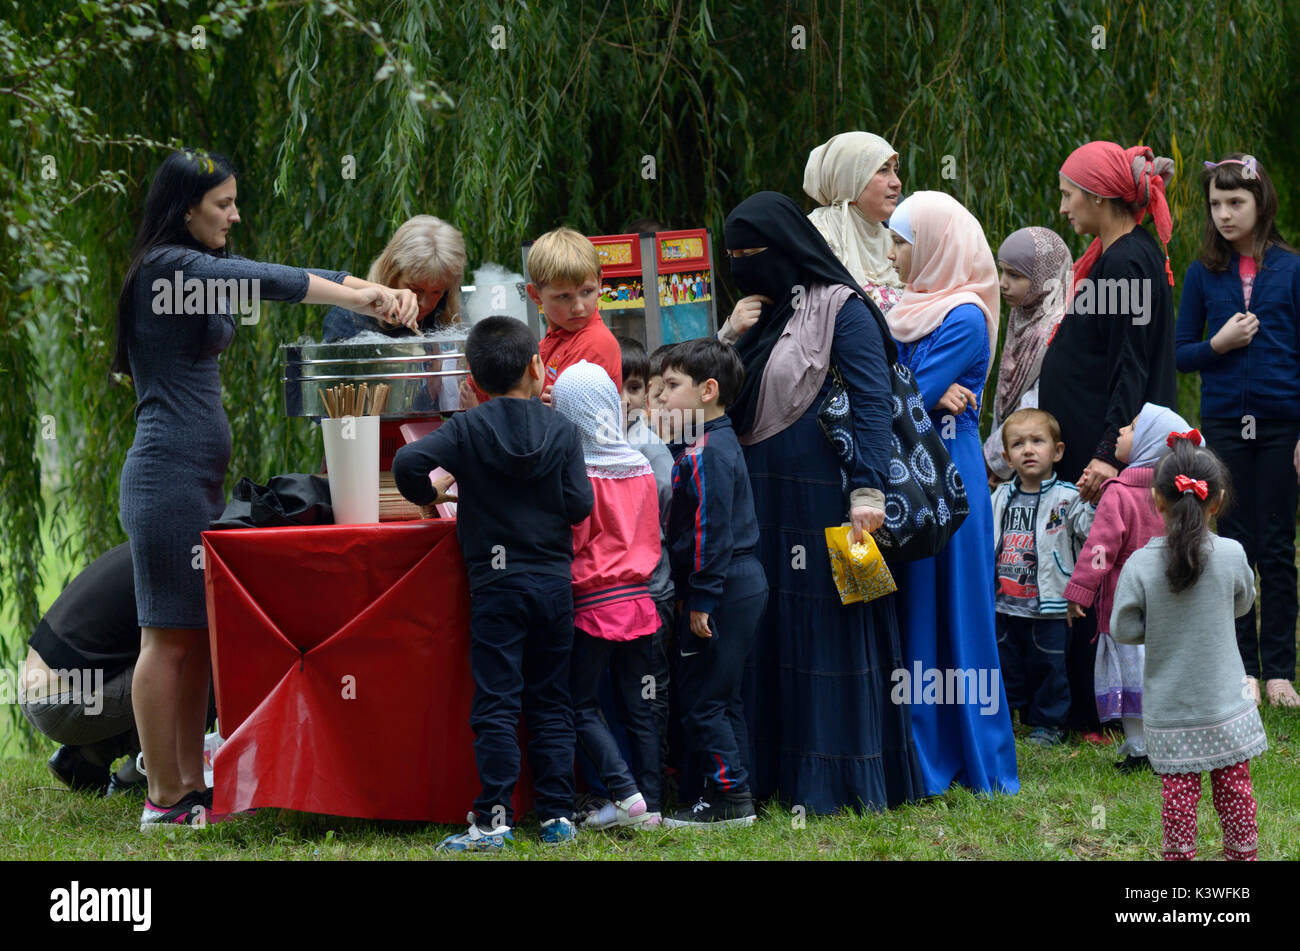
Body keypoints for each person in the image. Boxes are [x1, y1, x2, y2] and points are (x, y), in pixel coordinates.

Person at [113, 149, 417, 831]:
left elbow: (252, 281)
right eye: (223, 203)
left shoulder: (182, 271)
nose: (235, 214)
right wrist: (358, 293)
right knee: (164, 638)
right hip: (164, 477)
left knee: (191, 633)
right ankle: (162, 795)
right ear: (185, 206)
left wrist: (357, 287)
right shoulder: (169, 270)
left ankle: (191, 783)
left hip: (192, 478)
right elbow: (264, 281)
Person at [720, 191, 924, 814]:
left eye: (753, 253)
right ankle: (769, 775)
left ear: (784, 249)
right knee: (766, 629)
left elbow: (871, 405)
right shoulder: (759, 316)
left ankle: (840, 779)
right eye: (733, 257)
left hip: (830, 497)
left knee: (834, 629)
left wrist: (867, 491)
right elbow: (713, 395)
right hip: (758, 497)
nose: (744, 265)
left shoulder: (845, 310)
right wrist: (728, 336)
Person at [393, 315, 593, 850]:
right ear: (536, 367)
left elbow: (409, 460)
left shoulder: (467, 427)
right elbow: (580, 505)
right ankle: (556, 817)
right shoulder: (564, 430)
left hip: (496, 587)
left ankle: (494, 821)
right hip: (553, 584)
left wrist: (431, 498)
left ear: (473, 380)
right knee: (552, 700)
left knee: (498, 701)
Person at [1038, 141, 1178, 736]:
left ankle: (1094, 711)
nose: (1065, 207)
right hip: (1093, 440)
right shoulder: (1119, 254)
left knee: (1094, 571)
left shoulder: (1126, 262)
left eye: (1070, 194)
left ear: (1098, 196)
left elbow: (1130, 366)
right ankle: (1088, 705)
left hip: (1103, 447)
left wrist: (1103, 454)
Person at [885, 190, 1018, 796]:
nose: (891, 254)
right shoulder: (912, 307)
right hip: (915, 462)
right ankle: (924, 749)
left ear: (936, 246)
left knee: (957, 610)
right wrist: (919, 392)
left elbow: (895, 392)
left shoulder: (963, 315)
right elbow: (896, 388)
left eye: (900, 241)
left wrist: (920, 391)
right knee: (920, 604)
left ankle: (966, 752)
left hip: (946, 470)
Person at [1175, 153, 1300, 708]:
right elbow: (1180, 354)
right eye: (1216, 205)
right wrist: (1217, 345)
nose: (1225, 214)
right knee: (1230, 547)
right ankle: (1242, 669)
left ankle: (1279, 671)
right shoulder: (1204, 274)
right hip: (1226, 424)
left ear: (1260, 204)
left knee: (1276, 547)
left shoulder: (1292, 270)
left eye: (1235, 202)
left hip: (1280, 426)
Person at [1111, 437, 1267, 861]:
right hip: (1224, 705)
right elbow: (1243, 603)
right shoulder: (1232, 553)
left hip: (1170, 708)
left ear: (1157, 500)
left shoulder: (1141, 563)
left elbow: (1122, 627)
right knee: (1235, 787)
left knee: (1179, 796)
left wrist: (1161, 627)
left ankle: (1180, 857)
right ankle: (1242, 855)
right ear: (1215, 500)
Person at [658, 338, 768, 829]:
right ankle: (731, 790)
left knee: (704, 700)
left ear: (708, 390)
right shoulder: (711, 444)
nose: (661, 395)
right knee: (724, 697)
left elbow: (710, 532)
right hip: (737, 583)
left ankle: (729, 798)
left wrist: (700, 597)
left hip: (723, 588)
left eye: (671, 385)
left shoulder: (707, 451)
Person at [550, 361, 662, 829]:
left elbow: (572, 543)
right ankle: (652, 800)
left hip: (592, 605)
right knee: (642, 705)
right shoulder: (639, 465)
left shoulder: (579, 474)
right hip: (640, 599)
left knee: (579, 704)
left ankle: (624, 793)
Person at [1065, 403, 1194, 771]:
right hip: (1170, 606)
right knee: (1159, 676)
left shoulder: (1118, 493)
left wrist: (1080, 593)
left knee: (1130, 676)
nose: (1121, 430)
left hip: (1125, 605)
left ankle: (1139, 748)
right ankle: (1166, 744)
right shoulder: (1179, 495)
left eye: (1133, 427)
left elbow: (1100, 551)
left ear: (1150, 443)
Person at [991, 409, 1095, 747]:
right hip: (1005, 603)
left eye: (1038, 441)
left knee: (1050, 667)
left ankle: (1049, 724)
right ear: (1007, 457)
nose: (1029, 450)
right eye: (1018, 444)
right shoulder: (1000, 497)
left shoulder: (1067, 497)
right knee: (1007, 665)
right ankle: (1009, 717)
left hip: (1050, 604)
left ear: (1058, 451)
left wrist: (1094, 500)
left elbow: (1090, 532)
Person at [20, 544, 146, 796]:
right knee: (198, 659)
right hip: (63, 702)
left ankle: (89, 757)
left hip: (33, 688)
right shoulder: (185, 556)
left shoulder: (154, 540)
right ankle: (139, 773)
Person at [321, 214, 473, 412]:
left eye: (437, 292)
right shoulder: (348, 319)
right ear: (391, 274)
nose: (425, 304)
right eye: (415, 289)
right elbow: (328, 411)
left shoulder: (449, 317)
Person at [616, 335, 677, 798]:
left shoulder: (651, 450)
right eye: (616, 385)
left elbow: (663, 519)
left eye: (635, 387)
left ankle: (652, 792)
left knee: (648, 695)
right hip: (615, 595)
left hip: (650, 595)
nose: (625, 398)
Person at [983, 227, 1072, 485]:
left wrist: (994, 456)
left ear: (1044, 279)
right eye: (1002, 271)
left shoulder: (1057, 327)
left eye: (1014, 275)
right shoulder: (1023, 314)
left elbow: (1036, 398)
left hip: (1040, 463)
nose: (1002, 283)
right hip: (1014, 454)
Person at [801, 131, 906, 314]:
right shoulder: (816, 236)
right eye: (883, 170)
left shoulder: (896, 239)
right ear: (849, 178)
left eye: (895, 170)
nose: (897, 183)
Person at [528, 227, 623, 400]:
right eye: (564, 296)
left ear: (600, 282)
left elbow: (556, 419)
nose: (578, 307)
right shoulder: (557, 337)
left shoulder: (594, 343)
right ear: (535, 294)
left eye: (587, 292)